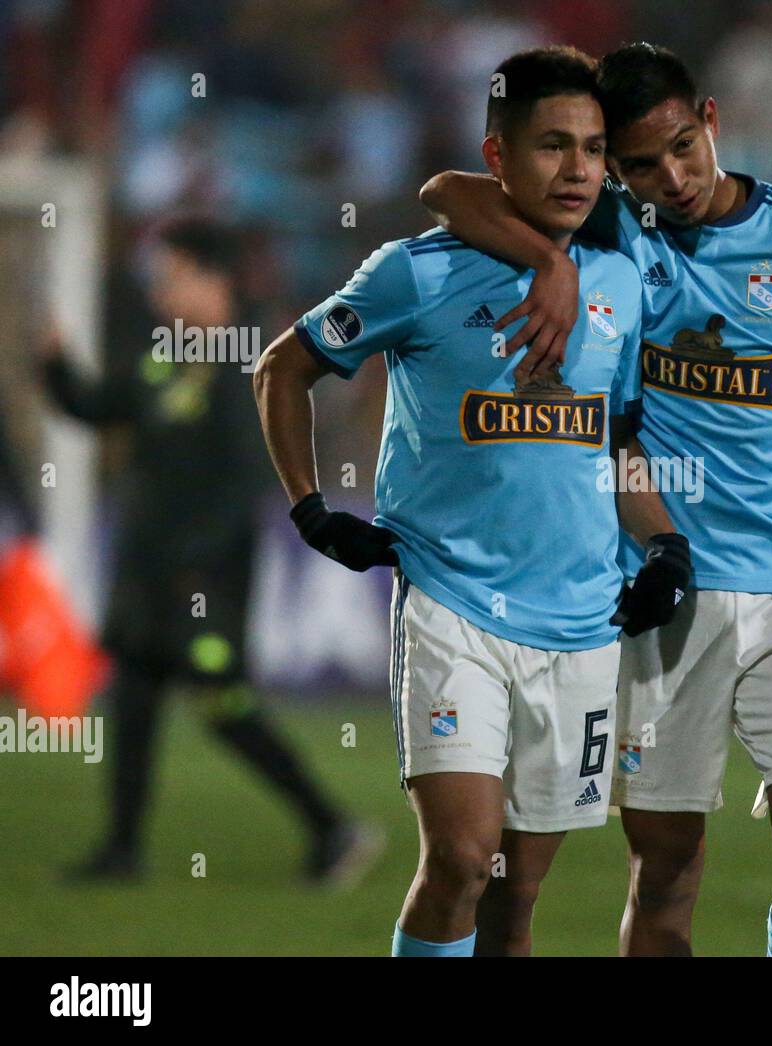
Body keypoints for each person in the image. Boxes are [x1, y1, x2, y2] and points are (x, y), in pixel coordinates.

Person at [420, 42, 772, 957]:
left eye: (682, 148)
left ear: (710, 120)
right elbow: (447, 193)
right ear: (617, 170)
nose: (670, 177)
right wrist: (545, 263)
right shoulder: (613, 236)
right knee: (664, 866)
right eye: (638, 164)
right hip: (666, 594)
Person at [254, 46, 685, 958]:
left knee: (515, 897)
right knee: (459, 858)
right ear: (500, 156)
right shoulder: (418, 274)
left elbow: (618, 442)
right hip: (453, 607)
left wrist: (664, 547)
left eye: (594, 149)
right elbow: (281, 369)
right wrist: (309, 507)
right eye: (551, 146)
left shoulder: (618, 282)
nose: (576, 169)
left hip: (581, 622)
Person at [44, 216, 378, 885]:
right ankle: (121, 851)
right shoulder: (165, 353)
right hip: (146, 572)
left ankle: (333, 828)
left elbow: (248, 482)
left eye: (169, 275)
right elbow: (99, 405)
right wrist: (54, 365)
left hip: (204, 578)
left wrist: (193, 564)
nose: (158, 290)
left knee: (224, 706)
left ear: (208, 277)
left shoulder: (250, 363)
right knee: (134, 702)